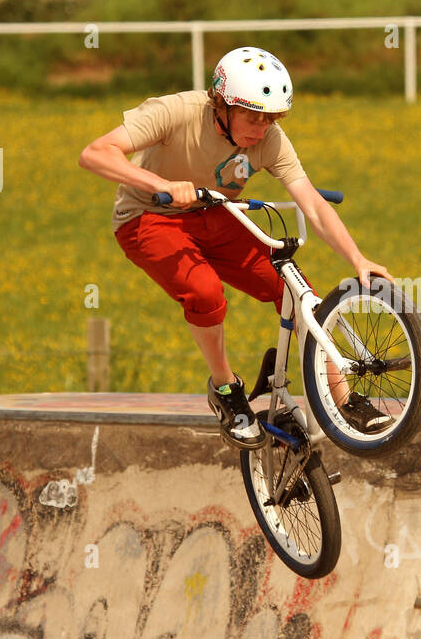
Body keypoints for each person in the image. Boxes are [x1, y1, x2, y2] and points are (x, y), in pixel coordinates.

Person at [78, 46, 394, 448]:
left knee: (297, 293)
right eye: (251, 116)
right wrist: (162, 186)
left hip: (217, 215)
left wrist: (358, 258)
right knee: (205, 292)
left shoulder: (270, 141)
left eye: (270, 118)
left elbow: (311, 201)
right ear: (221, 105)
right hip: (149, 217)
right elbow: (94, 153)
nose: (260, 129)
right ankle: (226, 389)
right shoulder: (176, 112)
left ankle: (344, 401)